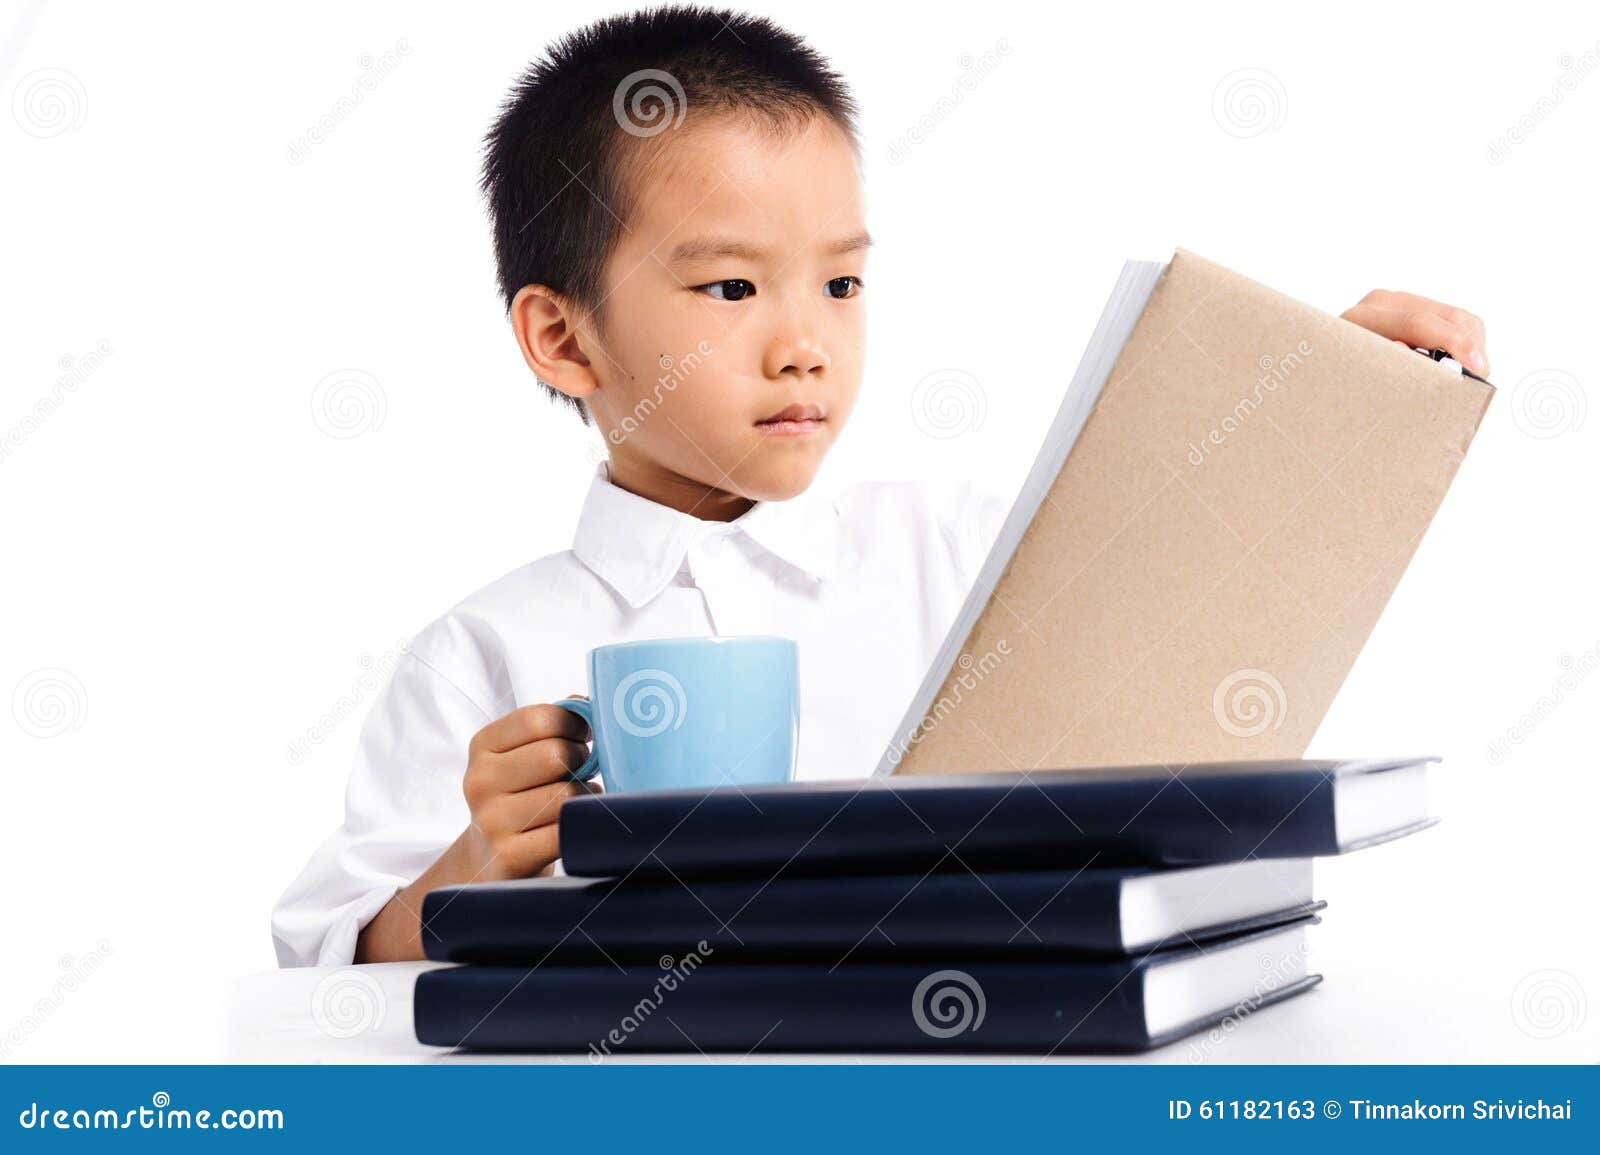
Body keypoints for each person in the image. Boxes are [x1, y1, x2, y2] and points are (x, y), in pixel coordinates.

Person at [271, 5, 1491, 967]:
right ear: (563, 339)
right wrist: (478, 855)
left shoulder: (957, 551)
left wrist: (1317, 405)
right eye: (732, 290)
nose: (804, 341)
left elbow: (1166, 613)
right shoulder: (481, 655)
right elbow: (332, 964)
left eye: (841, 286)